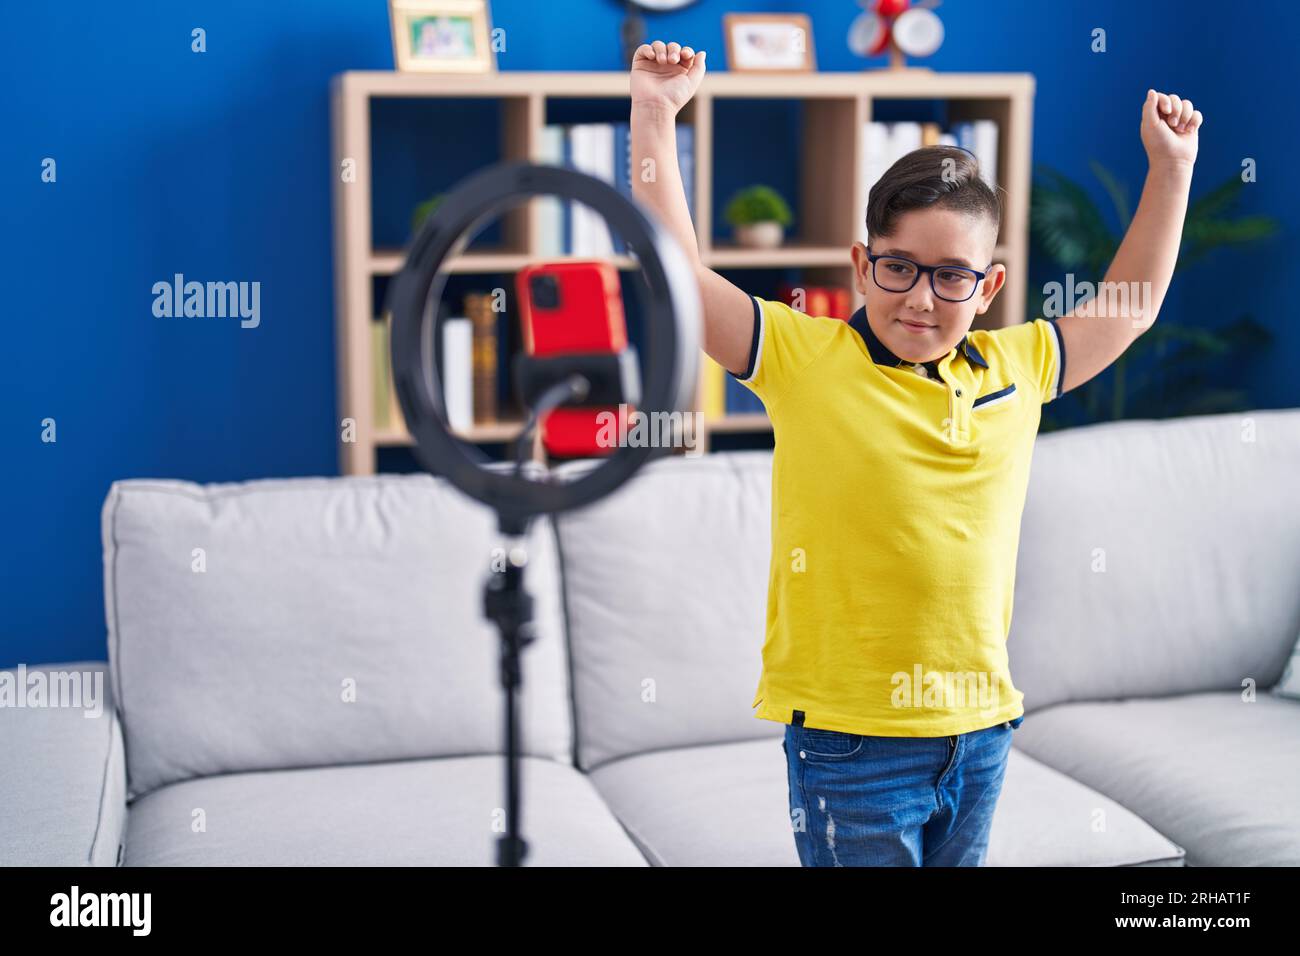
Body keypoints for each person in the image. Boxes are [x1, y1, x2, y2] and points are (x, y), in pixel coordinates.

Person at [629, 40, 1203, 866]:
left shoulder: (1021, 366)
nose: (922, 298)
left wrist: (1171, 168)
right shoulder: (805, 359)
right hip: (851, 745)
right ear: (862, 265)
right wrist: (654, 113)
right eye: (898, 268)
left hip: (980, 733)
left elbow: (1133, 305)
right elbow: (675, 279)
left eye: (952, 276)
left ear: (990, 287)